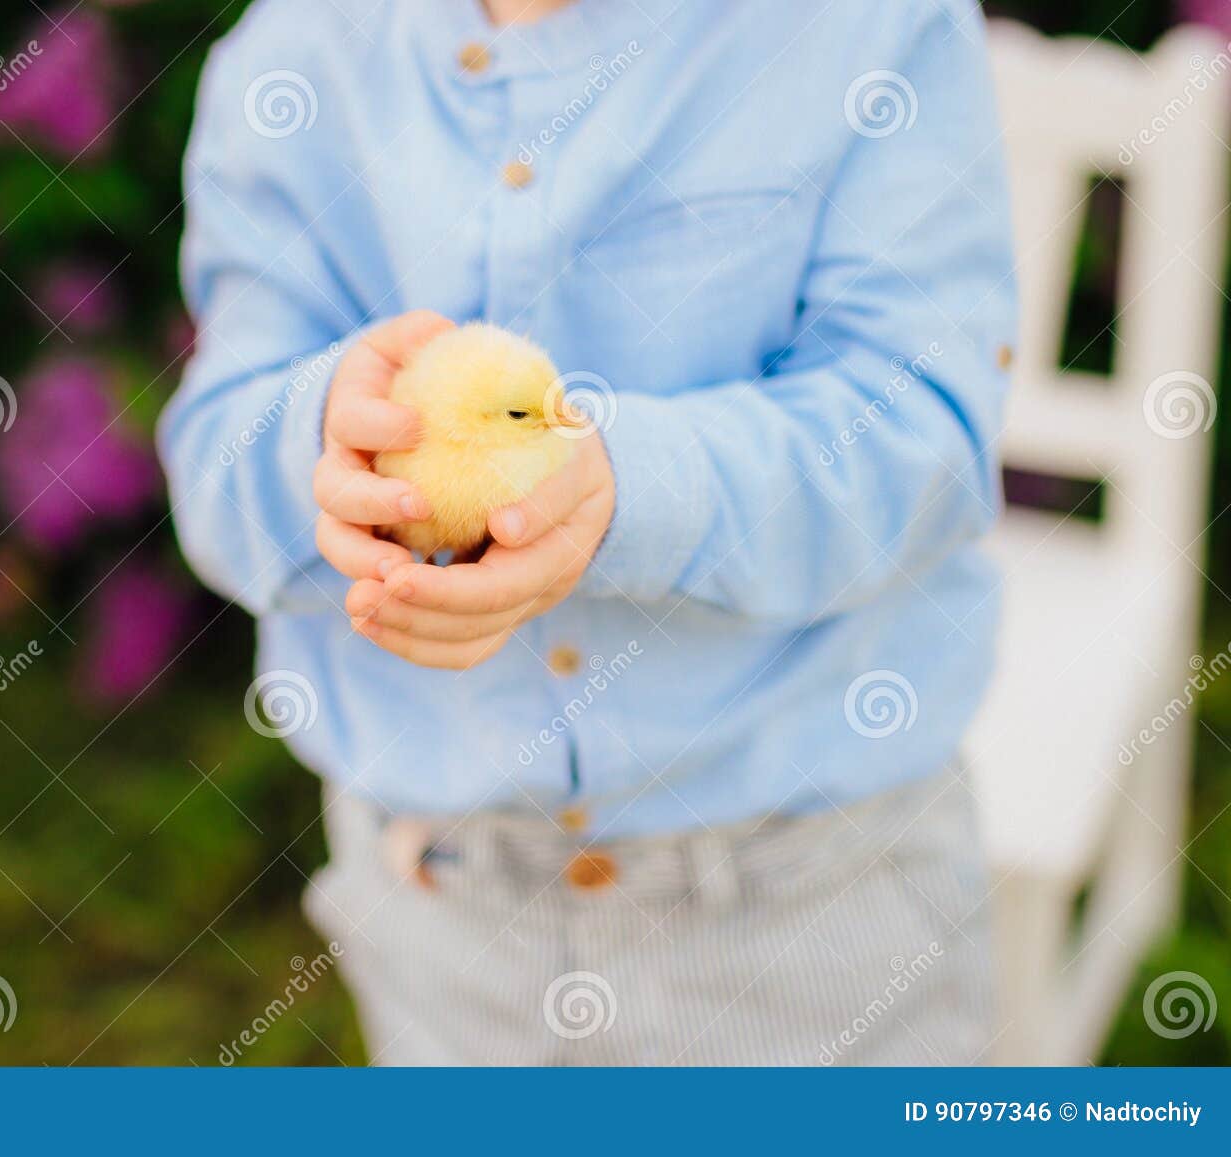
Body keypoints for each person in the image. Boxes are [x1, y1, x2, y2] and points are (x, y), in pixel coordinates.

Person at [161, 0, 1016, 1065]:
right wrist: (319, 453)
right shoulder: (292, 58)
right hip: (445, 916)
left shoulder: (867, 28)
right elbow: (215, 462)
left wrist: (623, 485)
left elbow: (920, 435)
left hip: (811, 903)